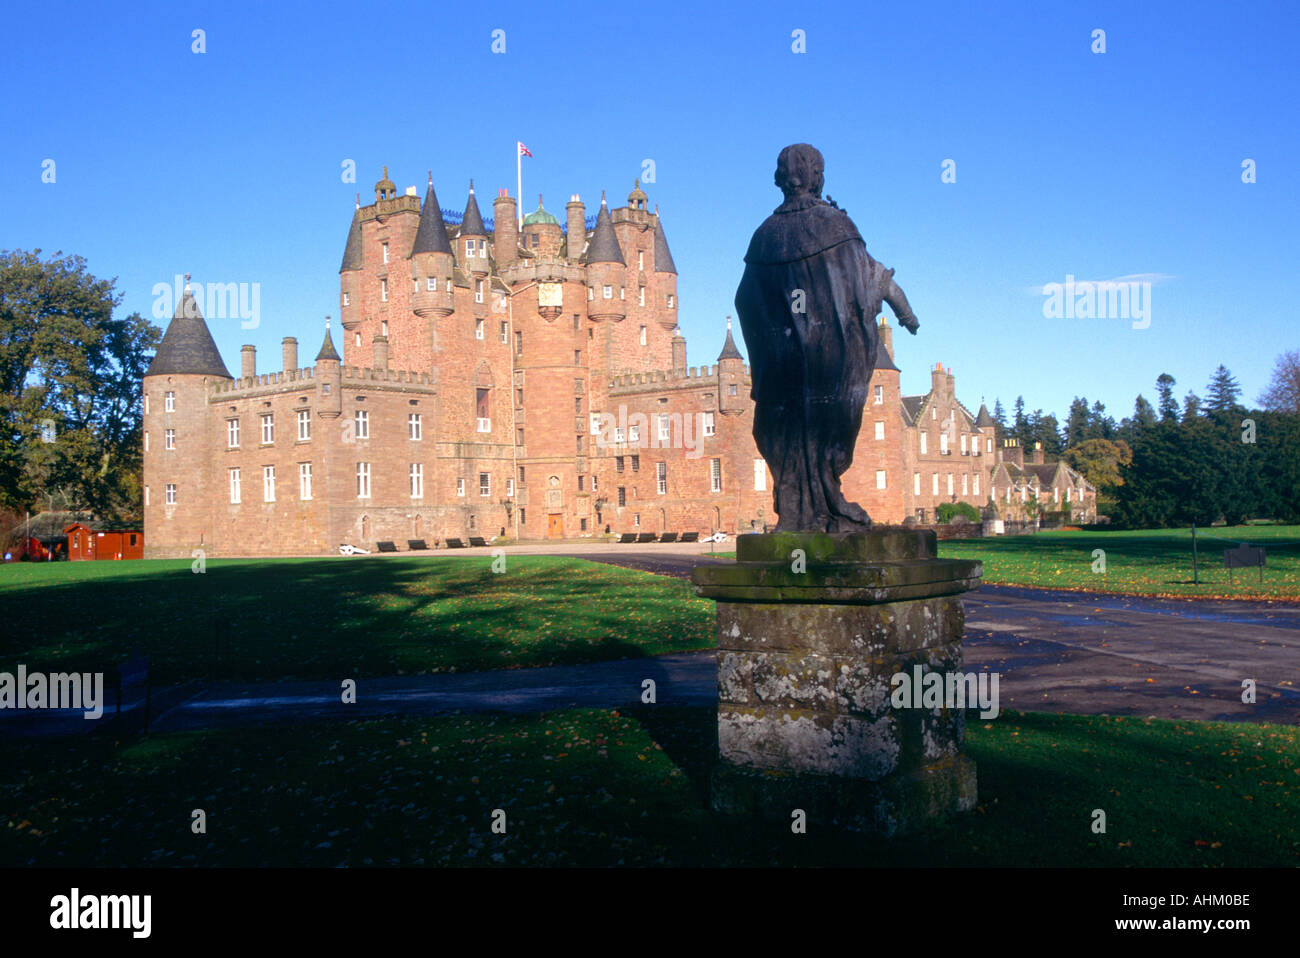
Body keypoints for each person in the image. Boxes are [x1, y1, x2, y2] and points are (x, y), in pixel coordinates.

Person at [735, 143, 919, 531]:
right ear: (817, 176)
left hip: (782, 363)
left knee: (784, 431)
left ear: (780, 178)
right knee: (828, 425)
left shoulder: (764, 236)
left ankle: (799, 512)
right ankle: (823, 503)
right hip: (828, 361)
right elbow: (874, 278)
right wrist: (905, 313)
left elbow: (746, 300)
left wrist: (772, 344)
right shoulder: (835, 225)